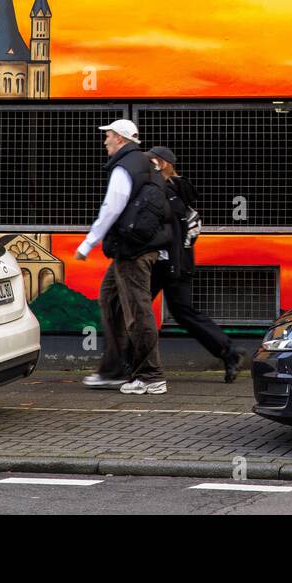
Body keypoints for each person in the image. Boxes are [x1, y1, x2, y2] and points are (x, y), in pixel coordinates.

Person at [76, 119, 173, 395]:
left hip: (132, 251)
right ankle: (114, 369)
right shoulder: (146, 163)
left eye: (108, 135)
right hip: (141, 247)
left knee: (137, 312)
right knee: (110, 299)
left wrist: (88, 243)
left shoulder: (124, 167)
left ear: (119, 138)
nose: (105, 140)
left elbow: (111, 207)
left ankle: (151, 375)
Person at [147, 146, 246, 383]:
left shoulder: (166, 191)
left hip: (166, 261)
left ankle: (128, 362)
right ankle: (227, 350)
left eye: (151, 161)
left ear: (162, 163)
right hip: (179, 261)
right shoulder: (179, 189)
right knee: (182, 311)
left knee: (134, 308)